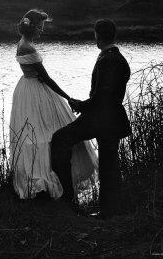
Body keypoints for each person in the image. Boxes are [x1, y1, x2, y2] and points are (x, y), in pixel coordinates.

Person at [9, 9, 97, 200]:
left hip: (29, 87)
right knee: (43, 133)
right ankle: (45, 183)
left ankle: (51, 181)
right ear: (31, 26)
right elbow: (46, 78)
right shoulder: (28, 48)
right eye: (40, 27)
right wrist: (68, 97)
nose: (42, 31)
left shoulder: (24, 43)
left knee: (45, 133)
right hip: (35, 91)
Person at [51, 19, 131, 218]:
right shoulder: (116, 58)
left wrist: (81, 105)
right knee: (109, 163)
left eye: (95, 34)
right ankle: (110, 210)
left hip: (102, 119)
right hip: (110, 119)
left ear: (98, 35)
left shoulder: (108, 60)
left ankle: (68, 199)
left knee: (61, 139)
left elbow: (103, 96)